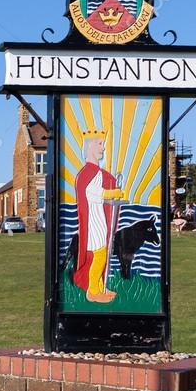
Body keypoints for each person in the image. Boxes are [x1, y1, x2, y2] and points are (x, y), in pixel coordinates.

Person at [72, 128, 124, 303]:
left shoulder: (95, 172)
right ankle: (93, 291)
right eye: (99, 144)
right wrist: (111, 193)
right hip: (93, 221)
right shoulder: (87, 173)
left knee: (101, 254)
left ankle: (100, 287)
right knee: (99, 255)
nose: (103, 148)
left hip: (98, 217)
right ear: (90, 146)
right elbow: (92, 193)